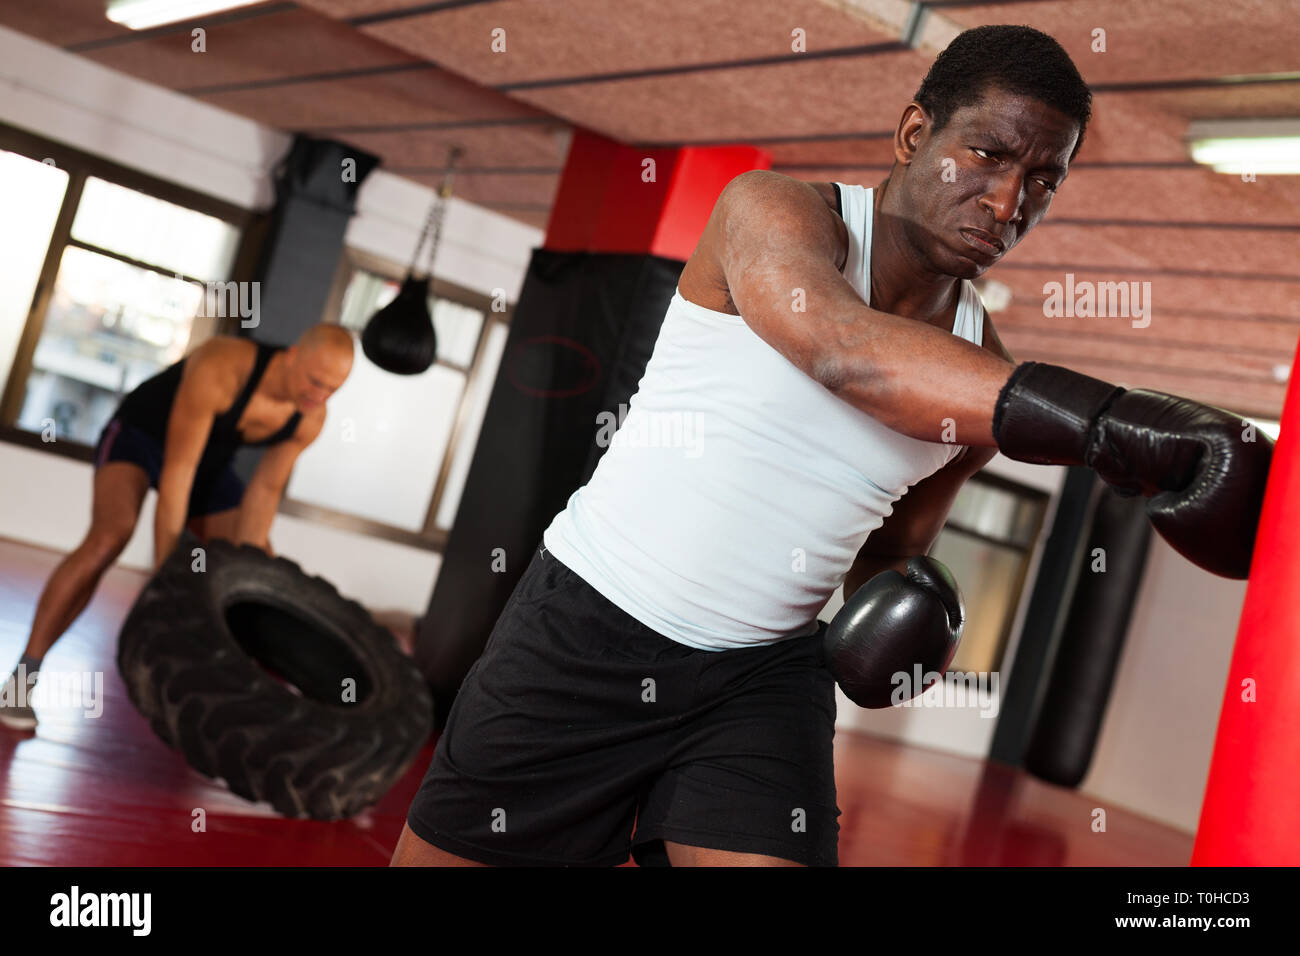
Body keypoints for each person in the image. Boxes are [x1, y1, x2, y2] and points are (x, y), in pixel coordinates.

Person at [391, 25, 1269, 866]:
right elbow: (842, 350)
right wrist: (1114, 426)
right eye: (991, 156)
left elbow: (891, 547)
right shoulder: (773, 211)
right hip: (586, 632)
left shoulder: (980, 382)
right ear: (913, 131)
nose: (1009, 203)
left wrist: (919, 607)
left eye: (1045, 178)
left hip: (761, 681)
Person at [0, 324, 354, 731]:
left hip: (208, 465)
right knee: (109, 537)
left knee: (256, 570)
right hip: (139, 437)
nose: (319, 396)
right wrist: (163, 582)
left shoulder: (310, 418)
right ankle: (23, 677)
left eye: (332, 389)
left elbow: (264, 496)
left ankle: (246, 701)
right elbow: (176, 476)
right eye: (314, 381)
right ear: (292, 355)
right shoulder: (223, 364)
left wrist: (254, 578)